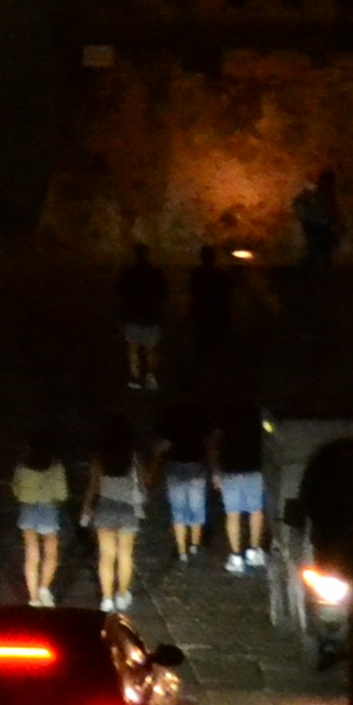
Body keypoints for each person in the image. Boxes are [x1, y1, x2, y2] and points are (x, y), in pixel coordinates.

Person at [86, 416, 144, 613]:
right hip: (127, 508)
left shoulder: (99, 458)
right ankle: (122, 594)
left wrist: (87, 507)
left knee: (106, 555)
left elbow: (93, 486)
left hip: (105, 507)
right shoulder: (132, 458)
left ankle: (107, 599)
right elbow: (144, 482)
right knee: (125, 554)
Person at [9, 435, 68, 604]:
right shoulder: (56, 467)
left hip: (28, 508)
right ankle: (44, 588)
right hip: (48, 509)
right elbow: (62, 494)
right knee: (51, 554)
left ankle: (33, 598)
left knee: (31, 553)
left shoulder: (22, 467)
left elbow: (16, 490)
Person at [216, 404, 270, 573]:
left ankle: (235, 556)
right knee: (256, 512)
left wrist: (216, 470)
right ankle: (253, 551)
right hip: (253, 469)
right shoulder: (259, 413)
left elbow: (215, 441)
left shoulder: (224, 413)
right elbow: (270, 431)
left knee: (232, 515)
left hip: (230, 470)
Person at [162, 412, 214, 568]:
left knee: (178, 512)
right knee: (197, 510)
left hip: (175, 468)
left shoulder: (170, 416)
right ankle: (195, 545)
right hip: (197, 467)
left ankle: (182, 552)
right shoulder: (200, 416)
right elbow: (209, 442)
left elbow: (164, 443)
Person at [115, 244, 167, 392]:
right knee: (150, 349)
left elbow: (120, 293)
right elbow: (163, 294)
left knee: (133, 349)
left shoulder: (129, 273)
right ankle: (151, 377)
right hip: (151, 315)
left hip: (133, 316)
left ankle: (136, 378)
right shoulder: (155, 273)